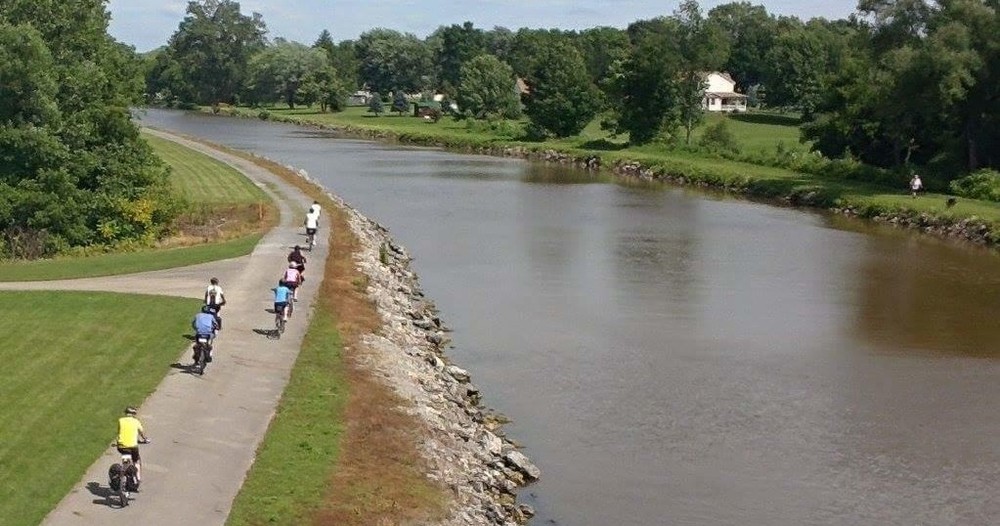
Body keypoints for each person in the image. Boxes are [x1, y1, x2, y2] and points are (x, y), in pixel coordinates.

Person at [116, 406, 149, 484]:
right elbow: (141, 433)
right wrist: (145, 439)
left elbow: (119, 432)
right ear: (134, 414)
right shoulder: (136, 422)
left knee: (125, 457)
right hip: (132, 446)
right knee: (136, 461)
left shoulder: (120, 420)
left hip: (121, 446)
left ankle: (123, 471)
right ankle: (138, 478)